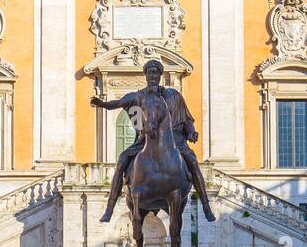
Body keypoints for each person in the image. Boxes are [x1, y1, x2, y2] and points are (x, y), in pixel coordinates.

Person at [90, 58, 216, 223]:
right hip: (145, 140)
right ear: (145, 75)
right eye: (149, 72)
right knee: (122, 160)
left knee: (192, 161)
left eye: (155, 72)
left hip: (175, 140)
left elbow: (187, 119)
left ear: (160, 74)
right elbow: (118, 102)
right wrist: (103, 104)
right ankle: (109, 208)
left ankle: (206, 206)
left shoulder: (174, 95)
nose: (152, 75)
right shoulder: (138, 96)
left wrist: (191, 132)